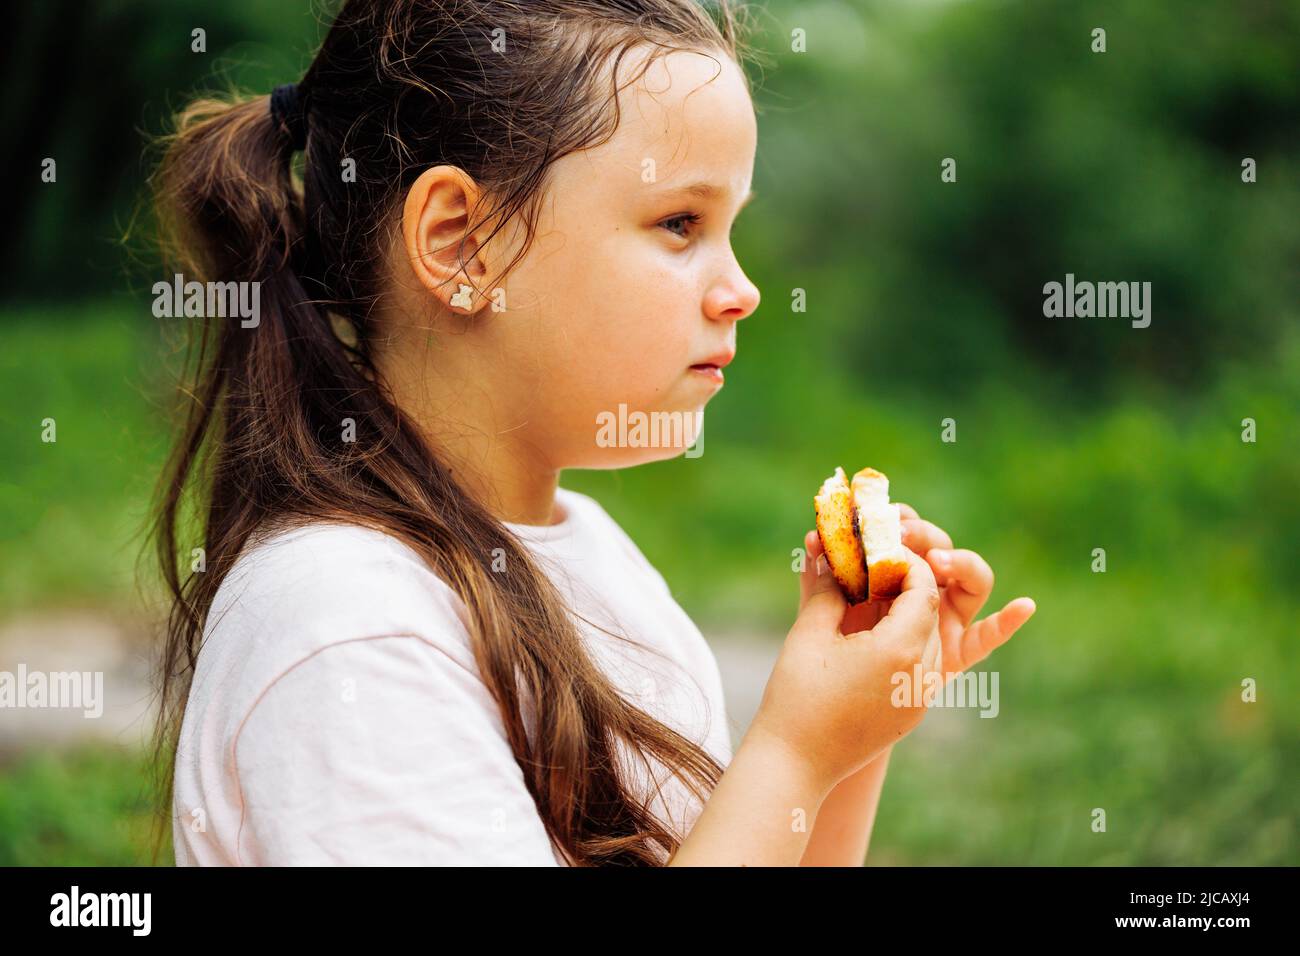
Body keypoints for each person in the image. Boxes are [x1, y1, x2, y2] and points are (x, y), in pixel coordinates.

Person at [147, 0, 1034, 866]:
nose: (743, 290)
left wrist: (847, 744)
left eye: (731, 226)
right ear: (462, 242)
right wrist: (794, 753)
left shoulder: (594, 556)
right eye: (680, 223)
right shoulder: (348, 634)